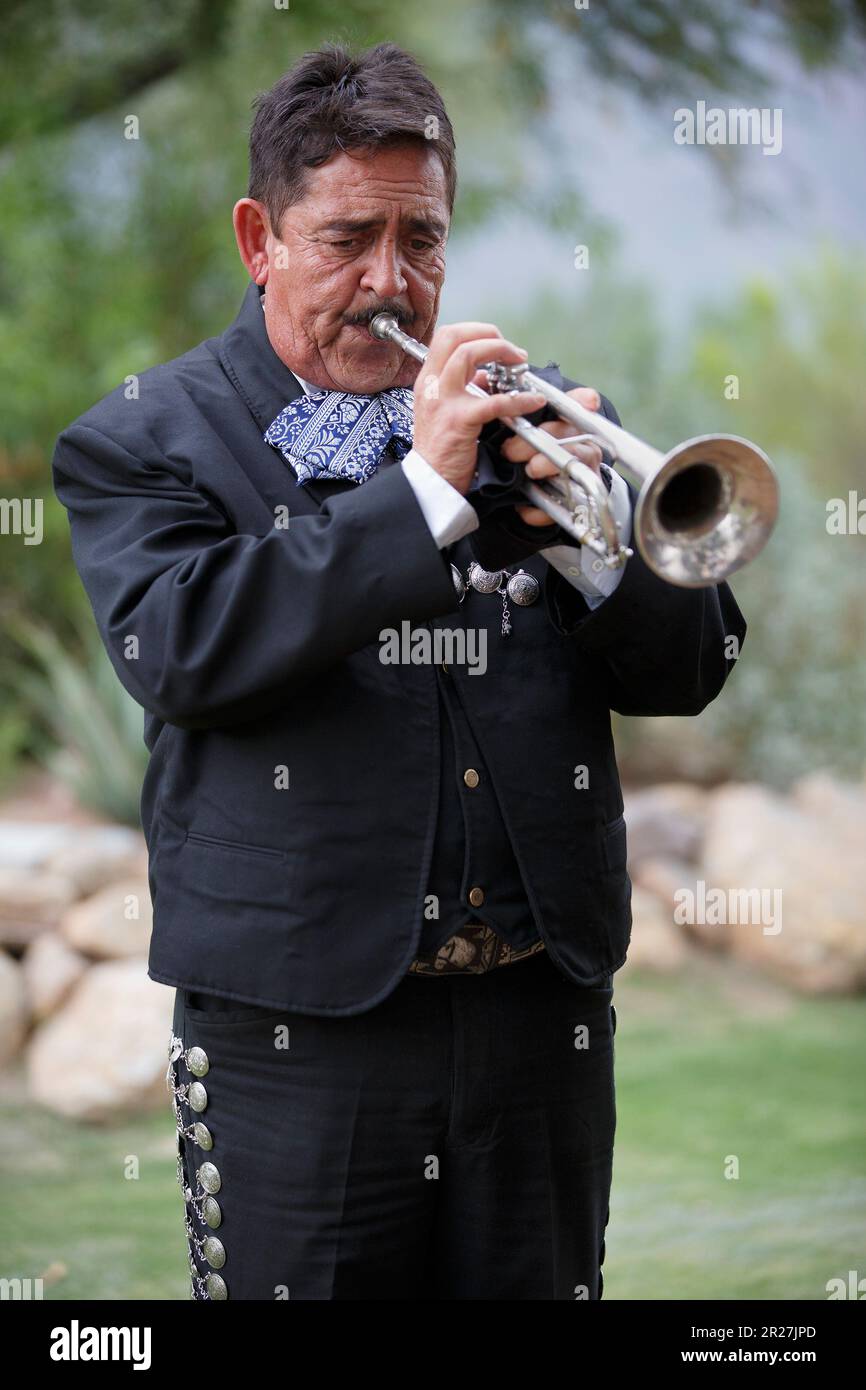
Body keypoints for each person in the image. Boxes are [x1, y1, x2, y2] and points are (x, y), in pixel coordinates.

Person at [52, 42, 746, 1301]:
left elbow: (695, 667)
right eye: (347, 239)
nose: (393, 280)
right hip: (299, 1035)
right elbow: (185, 650)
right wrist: (423, 493)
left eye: (420, 240)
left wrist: (590, 550)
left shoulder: (519, 414)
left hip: (539, 1019)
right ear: (260, 236)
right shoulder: (143, 438)